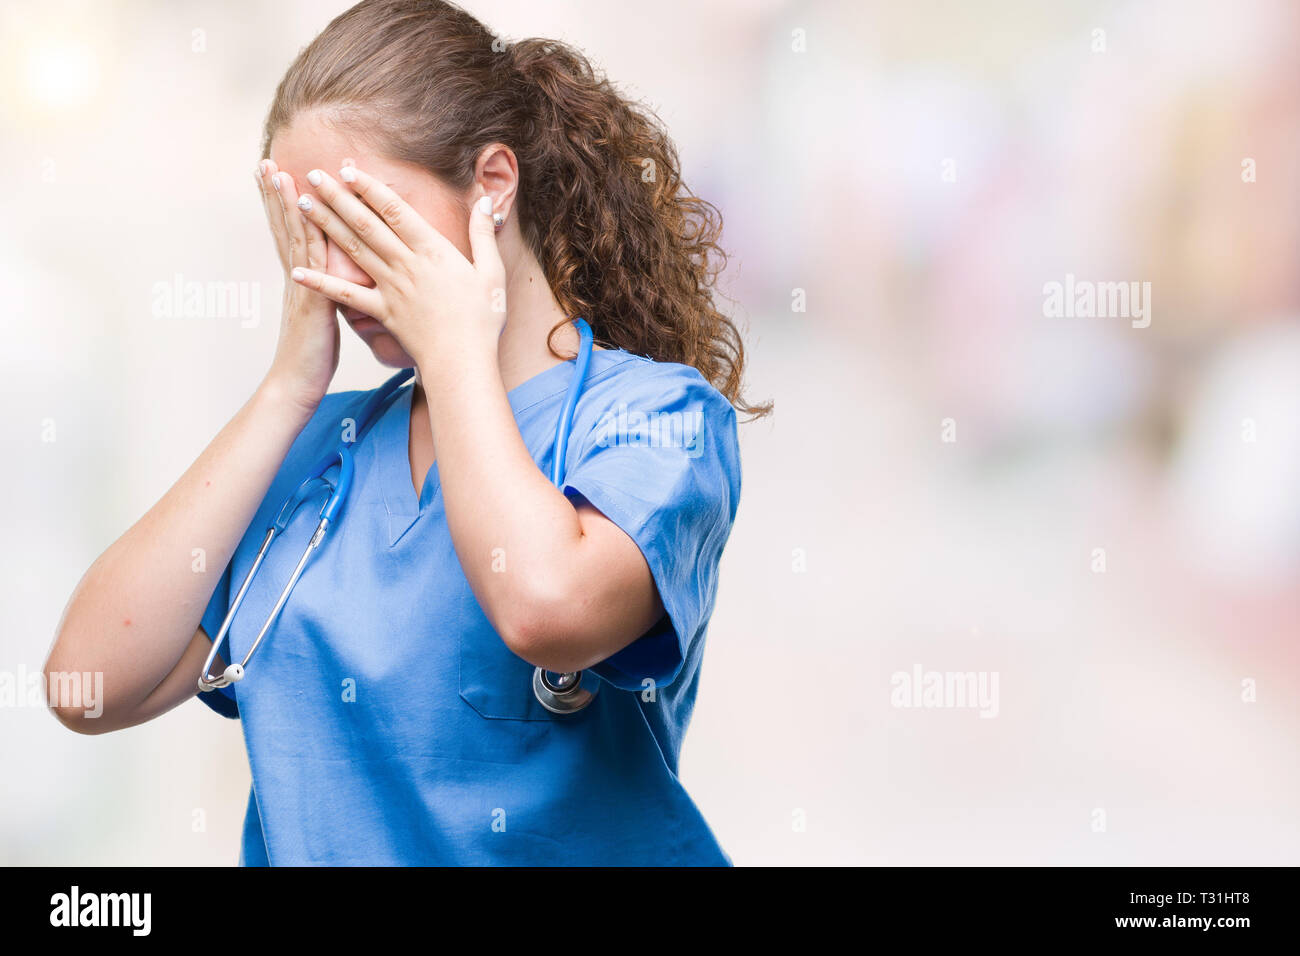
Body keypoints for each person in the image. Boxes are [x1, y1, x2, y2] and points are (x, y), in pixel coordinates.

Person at [45, 0, 767, 866]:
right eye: (312, 234)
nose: (337, 274)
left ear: (492, 185)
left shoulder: (658, 421)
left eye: (364, 220)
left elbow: (546, 606)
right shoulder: (319, 454)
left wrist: (457, 344)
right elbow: (84, 687)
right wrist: (287, 390)